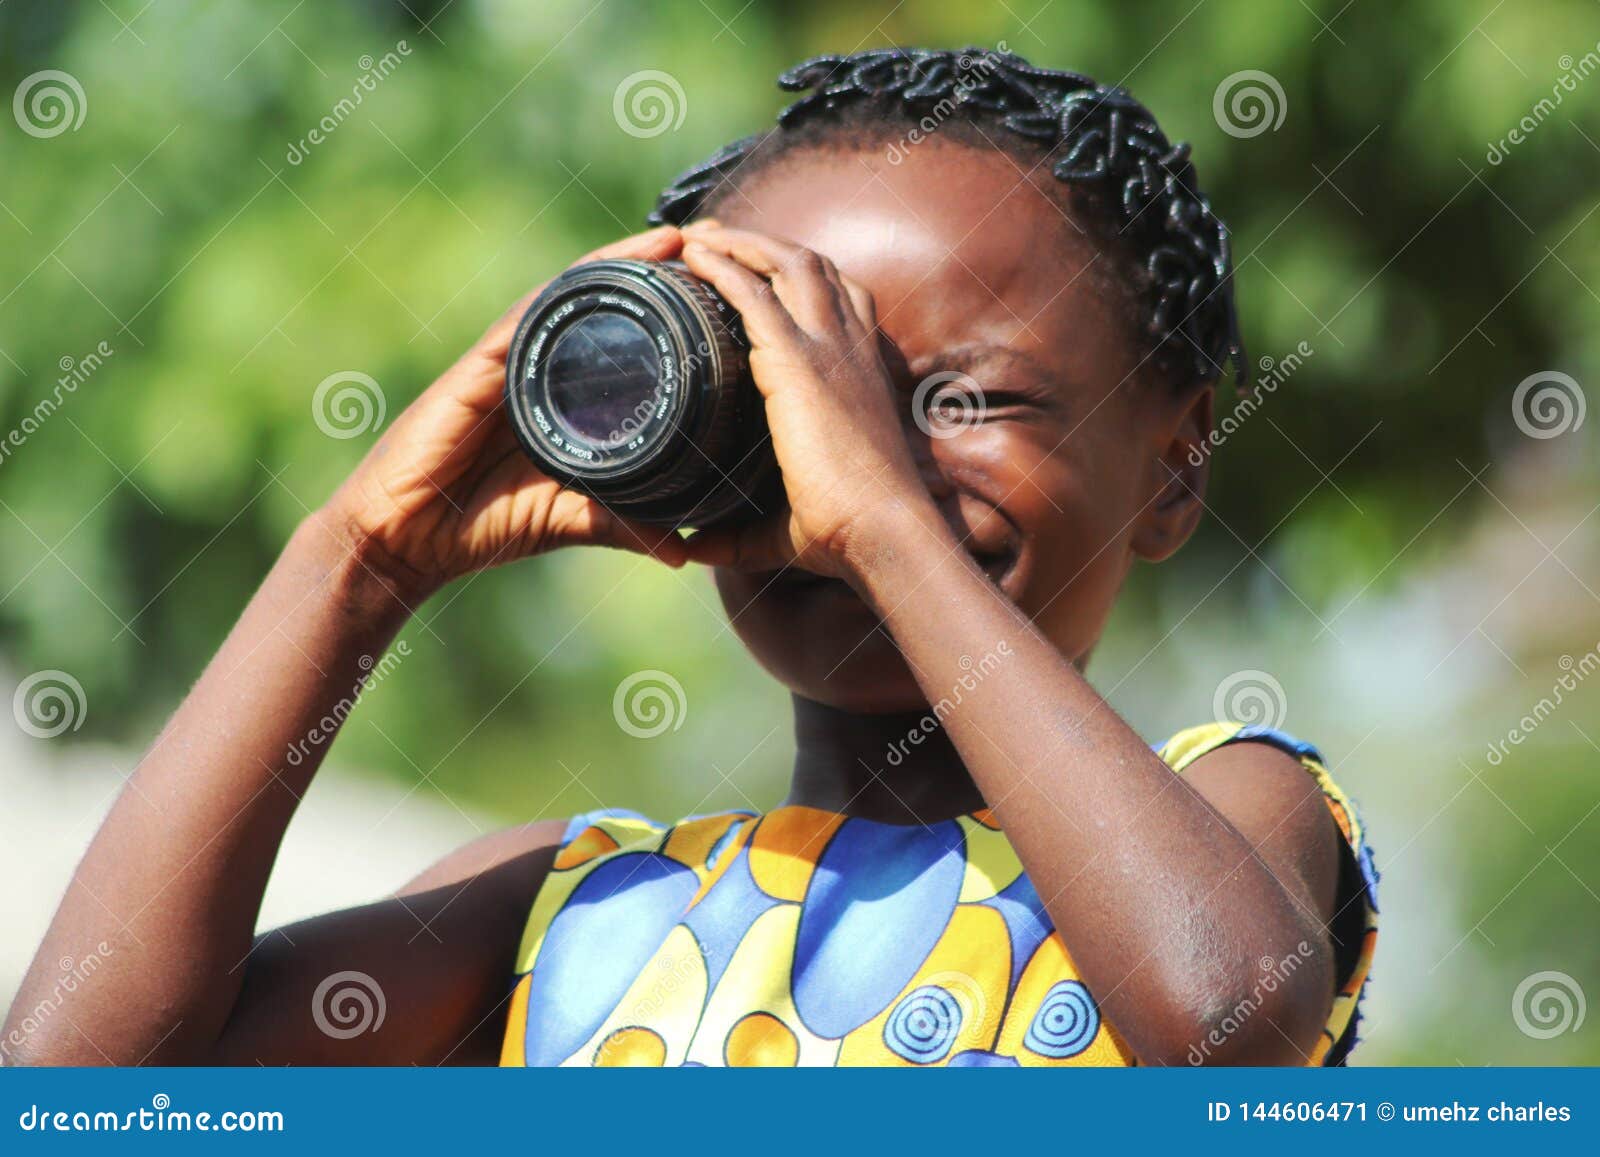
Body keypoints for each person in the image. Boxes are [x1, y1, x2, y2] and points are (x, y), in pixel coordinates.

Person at [5, 47, 1377, 1068]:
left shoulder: (1237, 806)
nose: (851, 461)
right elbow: (77, 1092)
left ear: (1175, 464)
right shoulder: (561, 914)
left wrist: (885, 527)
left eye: (961, 400)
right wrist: (354, 567)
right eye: (790, 403)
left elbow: (1224, 1024)